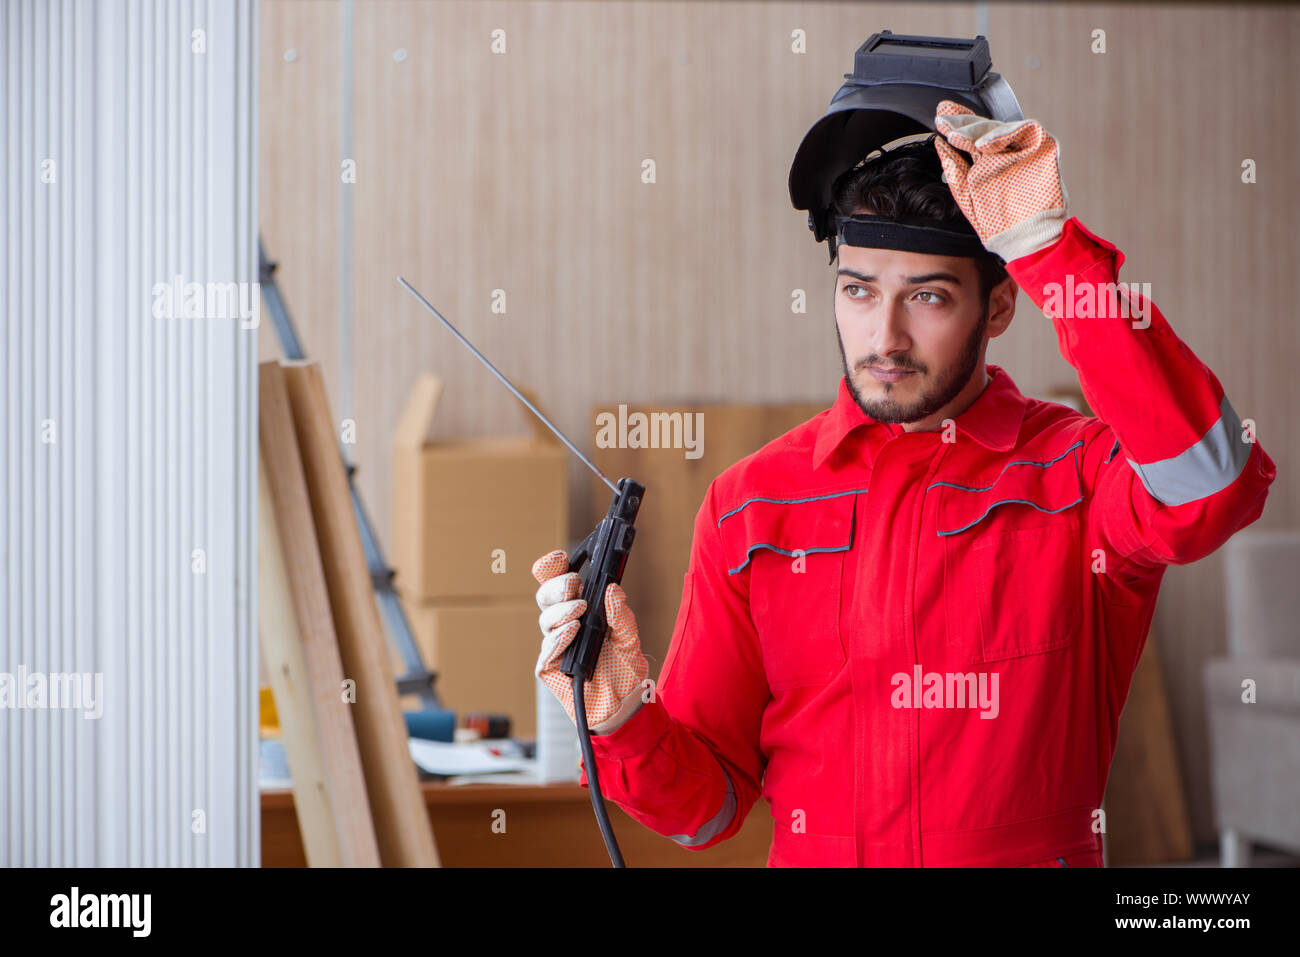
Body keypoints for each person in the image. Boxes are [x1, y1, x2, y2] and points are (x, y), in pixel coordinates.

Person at [531, 102, 1276, 867]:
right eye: (858, 291)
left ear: (999, 305)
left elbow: (1210, 485)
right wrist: (622, 718)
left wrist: (1052, 252)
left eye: (927, 296)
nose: (884, 337)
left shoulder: (1076, 476)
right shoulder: (752, 505)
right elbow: (707, 805)